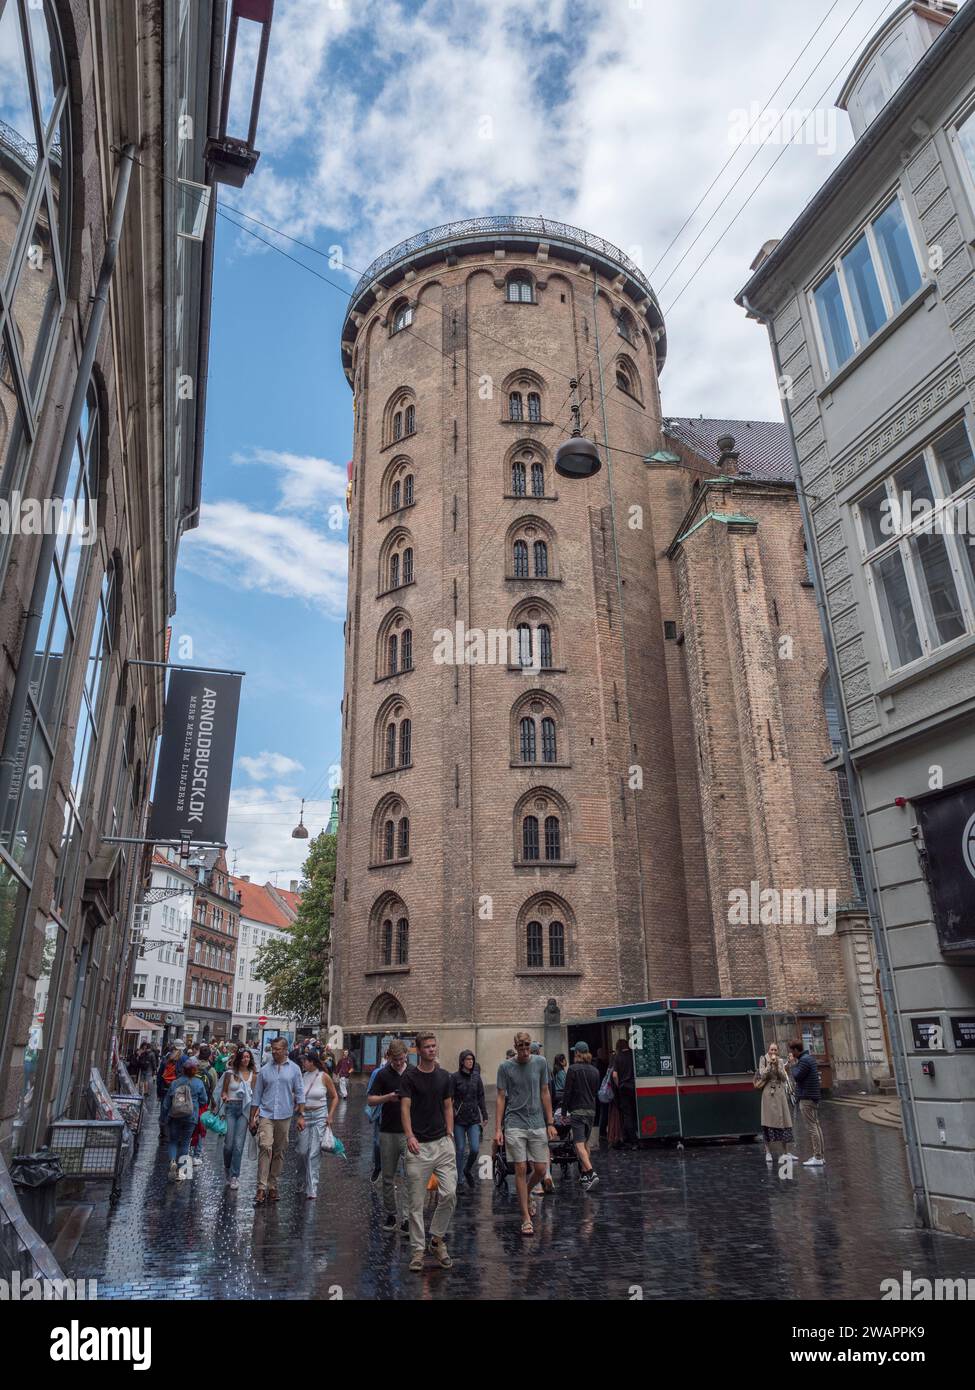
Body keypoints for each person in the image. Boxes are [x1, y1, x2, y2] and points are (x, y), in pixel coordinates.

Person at [401, 1032, 457, 1273]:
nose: (432, 1050)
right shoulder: (409, 1077)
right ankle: (417, 1250)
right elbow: (405, 1108)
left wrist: (450, 1134)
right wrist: (410, 1136)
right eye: (427, 1047)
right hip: (418, 1146)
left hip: (442, 1143)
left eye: (434, 1046)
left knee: (450, 1194)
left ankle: (436, 1239)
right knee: (416, 1202)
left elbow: (448, 1106)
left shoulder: (444, 1076)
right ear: (419, 1050)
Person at [495, 1030, 558, 1236]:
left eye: (527, 1046)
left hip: (537, 1121)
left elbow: (545, 1091)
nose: (523, 1050)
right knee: (520, 1168)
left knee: (540, 1169)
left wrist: (550, 1122)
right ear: (515, 1046)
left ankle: (527, 1192)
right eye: (520, 1046)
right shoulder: (505, 1067)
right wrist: (498, 1128)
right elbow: (501, 1097)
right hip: (514, 1122)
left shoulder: (540, 1063)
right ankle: (525, 1218)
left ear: (531, 1045)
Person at [248, 1036, 306, 1205]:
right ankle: (261, 1187)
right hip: (266, 1114)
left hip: (285, 1115)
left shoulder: (294, 1069)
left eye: (278, 1049)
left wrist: (301, 1115)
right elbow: (257, 1095)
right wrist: (252, 1118)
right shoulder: (265, 1070)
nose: (274, 1052)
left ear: (286, 1050)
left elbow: (300, 1092)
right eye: (273, 1049)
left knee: (279, 1151)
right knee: (265, 1146)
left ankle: (273, 1185)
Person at [367, 1039, 411, 1235]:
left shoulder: (412, 1073)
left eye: (401, 1059)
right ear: (389, 1057)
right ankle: (391, 1214)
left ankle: (408, 1218)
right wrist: (388, 1097)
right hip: (388, 1131)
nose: (399, 1063)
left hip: (409, 1132)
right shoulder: (383, 1074)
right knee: (388, 1176)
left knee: (411, 1176)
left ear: (406, 1056)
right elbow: (370, 1100)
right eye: (395, 1060)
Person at [297, 1051, 339, 1199]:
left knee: (314, 1153)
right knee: (302, 1151)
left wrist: (330, 1115)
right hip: (305, 1116)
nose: (303, 1063)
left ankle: (312, 1187)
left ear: (312, 1062)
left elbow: (334, 1097)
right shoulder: (302, 1076)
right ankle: (301, 1180)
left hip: (320, 1115)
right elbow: (298, 1097)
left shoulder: (324, 1076)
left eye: (305, 1061)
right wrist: (300, 1113)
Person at [161, 1058, 209, 1180]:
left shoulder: (175, 1082)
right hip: (191, 1116)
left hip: (175, 1115)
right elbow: (204, 1100)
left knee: (173, 1140)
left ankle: (172, 1161)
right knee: (185, 1143)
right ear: (194, 1071)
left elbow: (166, 1102)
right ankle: (181, 1172)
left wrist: (163, 1117)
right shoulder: (198, 1083)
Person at [561, 1041, 600, 1189]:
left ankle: (590, 1172)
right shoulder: (595, 1071)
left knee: (578, 1145)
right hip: (591, 1110)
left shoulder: (573, 1069)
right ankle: (584, 1176)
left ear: (577, 1053)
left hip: (577, 1111)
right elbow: (595, 1091)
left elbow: (567, 1092)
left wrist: (564, 1112)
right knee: (585, 1144)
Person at [220, 1046, 256, 1190]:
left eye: (248, 1057)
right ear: (239, 1059)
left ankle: (235, 1176)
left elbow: (255, 1097)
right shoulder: (230, 1074)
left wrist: (254, 1116)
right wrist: (224, 1097)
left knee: (239, 1145)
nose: (246, 1059)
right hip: (230, 1108)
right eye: (244, 1057)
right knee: (229, 1144)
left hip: (244, 1111)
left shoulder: (254, 1075)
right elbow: (223, 1092)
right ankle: (227, 1167)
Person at [755, 1042, 796, 1167]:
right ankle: (768, 1152)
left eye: (775, 1050)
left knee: (784, 1122)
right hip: (768, 1093)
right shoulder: (763, 1059)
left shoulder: (780, 1060)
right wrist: (770, 1065)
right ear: (768, 1050)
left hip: (780, 1094)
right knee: (768, 1122)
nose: (773, 1052)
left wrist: (779, 1066)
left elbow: (784, 1078)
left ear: (777, 1051)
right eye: (771, 1049)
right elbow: (762, 1074)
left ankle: (786, 1152)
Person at [452, 1050, 486, 1190]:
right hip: (459, 1119)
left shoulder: (477, 1078)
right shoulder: (454, 1077)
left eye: (472, 1059)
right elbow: (449, 1097)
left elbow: (481, 1096)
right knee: (460, 1149)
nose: (470, 1061)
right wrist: (452, 1111)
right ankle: (459, 1180)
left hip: (473, 1118)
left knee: (474, 1148)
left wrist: (484, 1114)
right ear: (462, 1061)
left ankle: (467, 1169)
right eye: (467, 1059)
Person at [789, 1040, 825, 1166]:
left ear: (796, 1050)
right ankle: (820, 1155)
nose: (791, 1054)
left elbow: (797, 1076)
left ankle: (818, 1157)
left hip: (807, 1098)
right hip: (812, 1097)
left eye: (791, 1051)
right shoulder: (808, 1058)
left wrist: (793, 1064)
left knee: (812, 1127)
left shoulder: (803, 1060)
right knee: (816, 1125)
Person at [611, 1037, 638, 1148]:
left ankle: (632, 1141)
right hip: (635, 1087)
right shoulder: (634, 1055)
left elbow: (614, 1075)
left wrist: (618, 1085)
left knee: (627, 1115)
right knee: (636, 1112)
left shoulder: (617, 1057)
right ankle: (638, 1135)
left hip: (623, 1087)